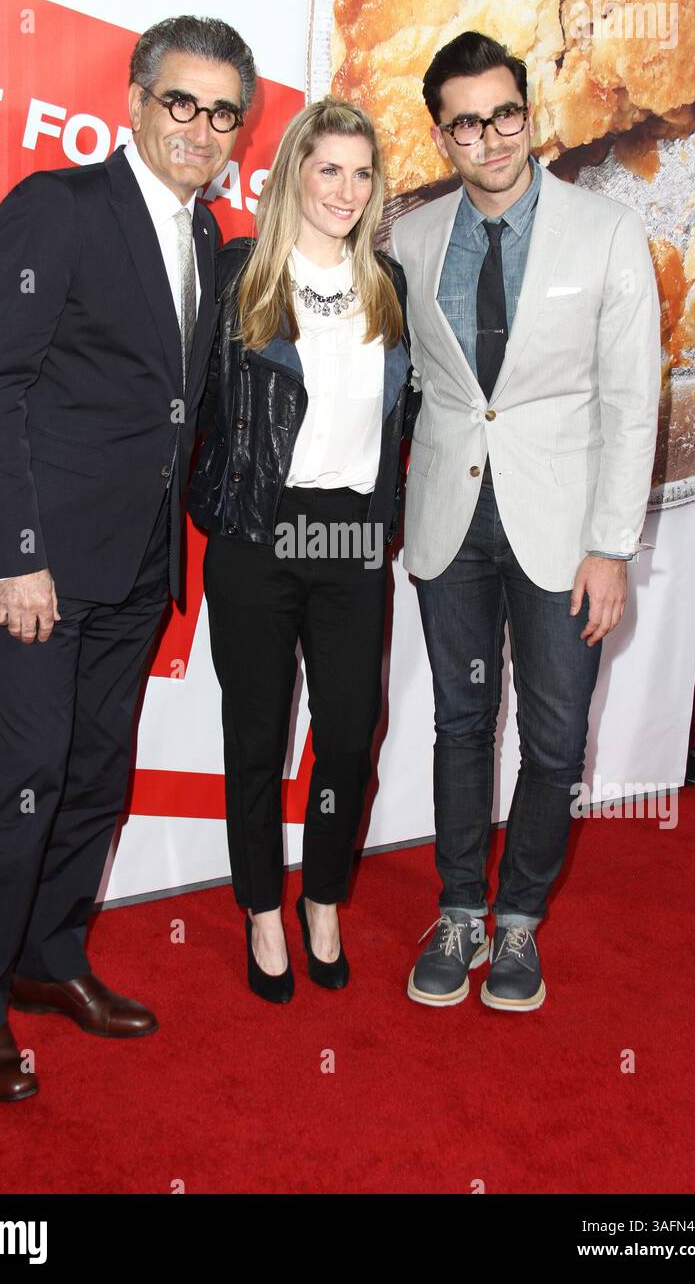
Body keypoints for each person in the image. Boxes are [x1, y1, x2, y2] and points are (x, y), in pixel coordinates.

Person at [0, 15, 256, 1100]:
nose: (199, 127)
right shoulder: (59, 209)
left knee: (92, 777)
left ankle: (51, 957)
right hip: (45, 566)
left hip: (137, 563)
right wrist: (18, 555)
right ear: (134, 99)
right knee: (18, 779)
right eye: (181, 101)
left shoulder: (209, 239)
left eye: (221, 112)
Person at [392, 31, 660, 1012]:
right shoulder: (412, 242)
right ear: (442, 134)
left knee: (551, 741)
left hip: (563, 530)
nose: (491, 137)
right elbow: (412, 387)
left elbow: (633, 399)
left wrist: (610, 546)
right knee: (460, 721)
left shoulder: (603, 231)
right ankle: (459, 907)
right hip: (450, 521)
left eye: (504, 113)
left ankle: (517, 923)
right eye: (466, 122)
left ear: (525, 110)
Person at [189, 98, 414, 1003]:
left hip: (351, 532)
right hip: (256, 531)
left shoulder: (386, 281)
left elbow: (410, 414)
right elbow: (199, 402)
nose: (346, 190)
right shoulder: (244, 271)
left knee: (349, 734)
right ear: (293, 173)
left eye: (362, 173)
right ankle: (260, 908)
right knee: (256, 735)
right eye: (329, 169)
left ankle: (322, 895)